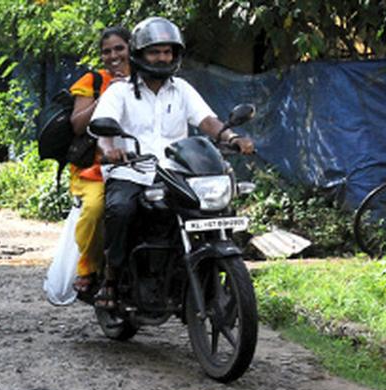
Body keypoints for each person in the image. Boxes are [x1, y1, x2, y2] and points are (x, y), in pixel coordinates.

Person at [90, 17, 255, 309]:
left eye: (167, 52)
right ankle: (112, 279)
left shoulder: (182, 89)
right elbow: (103, 128)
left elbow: (207, 120)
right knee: (120, 210)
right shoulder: (120, 92)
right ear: (140, 54)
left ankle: (205, 272)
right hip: (132, 172)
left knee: (214, 208)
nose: (162, 58)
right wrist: (109, 149)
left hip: (175, 174)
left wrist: (231, 137)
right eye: (155, 52)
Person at [68, 26, 132, 294]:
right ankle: (89, 267)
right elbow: (78, 125)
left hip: (141, 164)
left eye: (119, 48)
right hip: (95, 169)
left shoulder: (147, 79)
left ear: (132, 48)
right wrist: (106, 96)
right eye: (106, 51)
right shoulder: (93, 81)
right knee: (95, 209)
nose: (113, 55)